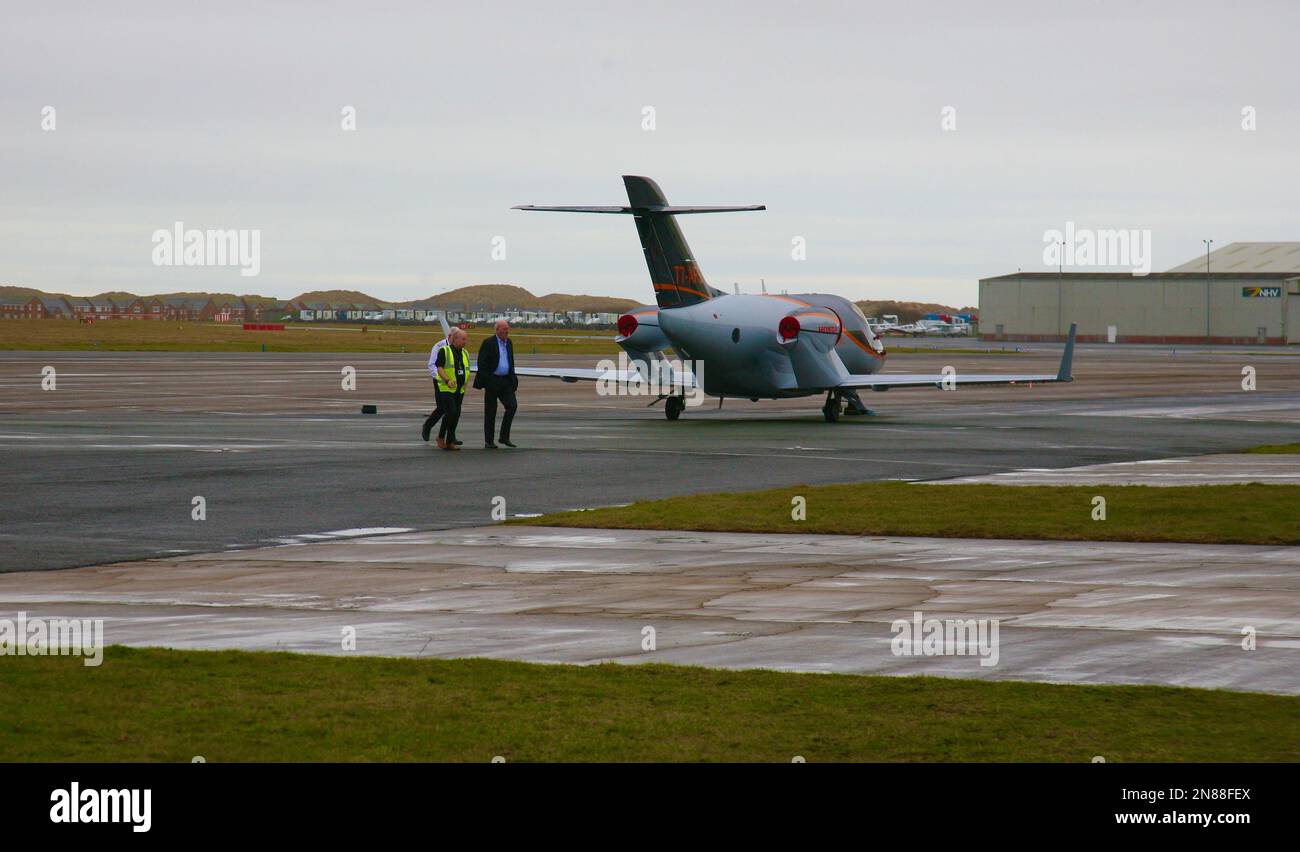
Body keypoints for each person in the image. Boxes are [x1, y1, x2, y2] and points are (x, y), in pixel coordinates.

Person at [473, 319, 518, 448]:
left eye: (507, 329)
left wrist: (513, 379)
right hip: (492, 381)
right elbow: (482, 363)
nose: (506, 331)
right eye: (504, 329)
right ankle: (489, 441)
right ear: (497, 330)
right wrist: (488, 380)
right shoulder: (488, 343)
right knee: (490, 412)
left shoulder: (509, 343)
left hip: (506, 381)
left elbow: (511, 361)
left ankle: (504, 437)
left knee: (512, 406)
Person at [433, 329, 470, 450]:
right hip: (447, 388)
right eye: (463, 339)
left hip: (459, 389)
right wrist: (447, 380)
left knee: (456, 414)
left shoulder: (465, 353)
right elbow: (439, 367)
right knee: (451, 412)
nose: (466, 341)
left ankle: (449, 441)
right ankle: (441, 437)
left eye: (466, 339)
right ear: (455, 339)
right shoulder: (445, 351)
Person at [420, 331, 449, 443]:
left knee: (453, 410)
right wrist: (441, 378)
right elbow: (432, 365)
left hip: (453, 382)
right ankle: (428, 425)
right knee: (442, 407)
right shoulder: (439, 346)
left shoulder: (458, 348)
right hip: (441, 381)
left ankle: (450, 436)